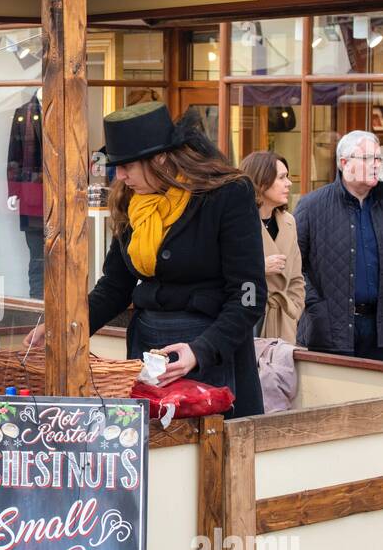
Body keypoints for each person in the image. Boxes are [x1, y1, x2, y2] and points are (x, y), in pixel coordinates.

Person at [26, 102, 267, 417]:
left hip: (210, 354)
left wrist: (201, 350)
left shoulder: (228, 195)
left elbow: (249, 294)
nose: (121, 176)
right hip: (147, 349)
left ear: (161, 158)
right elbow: (114, 285)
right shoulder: (132, 202)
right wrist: (66, 327)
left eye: (127, 166)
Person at [294, 130, 383, 360]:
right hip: (330, 330)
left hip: (378, 329)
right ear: (344, 163)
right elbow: (295, 266)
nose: (376, 165)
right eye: (367, 159)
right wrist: (316, 307)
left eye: (379, 158)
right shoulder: (311, 206)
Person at [240, 151, 305, 343]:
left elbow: (296, 279)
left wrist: (294, 310)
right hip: (248, 320)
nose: (289, 183)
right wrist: (259, 269)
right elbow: (219, 273)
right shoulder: (237, 222)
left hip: (283, 321)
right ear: (261, 182)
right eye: (282, 177)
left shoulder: (288, 222)